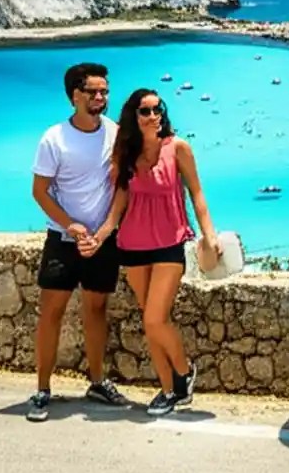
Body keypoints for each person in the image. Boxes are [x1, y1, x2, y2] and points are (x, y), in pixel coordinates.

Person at [91, 87, 223, 416]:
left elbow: (197, 193)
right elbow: (120, 199)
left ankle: (184, 372)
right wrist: (103, 232)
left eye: (157, 109)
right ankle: (168, 391)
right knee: (151, 324)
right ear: (134, 118)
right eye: (146, 111)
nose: (154, 116)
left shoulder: (178, 148)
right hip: (133, 245)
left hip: (169, 243)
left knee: (154, 317)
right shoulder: (126, 154)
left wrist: (209, 234)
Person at [27, 62, 131, 422]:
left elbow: (122, 187)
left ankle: (98, 381)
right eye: (93, 92)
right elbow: (40, 192)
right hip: (63, 240)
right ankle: (42, 389)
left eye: (105, 91)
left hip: (102, 241)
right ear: (75, 96)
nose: (101, 98)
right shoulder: (53, 139)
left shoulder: (116, 134)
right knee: (51, 312)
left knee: (97, 310)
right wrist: (71, 226)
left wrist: (104, 231)